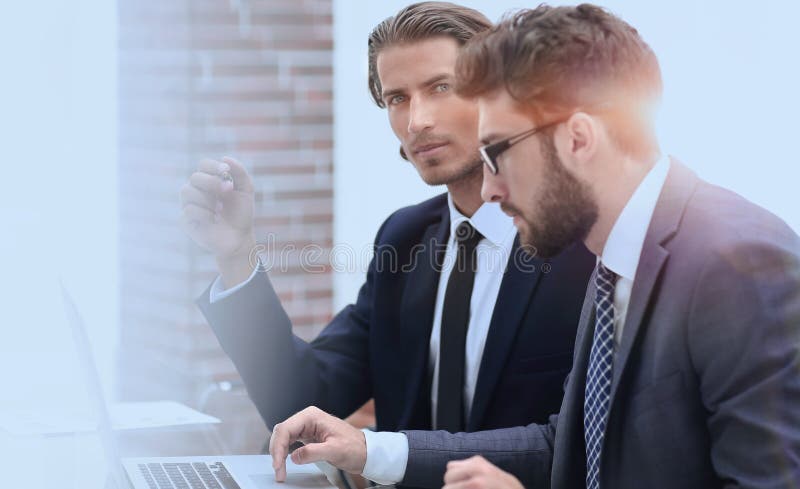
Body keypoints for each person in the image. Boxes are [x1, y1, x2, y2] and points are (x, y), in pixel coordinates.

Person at [267, 4, 800, 488]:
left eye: (498, 151)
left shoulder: (737, 262)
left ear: (578, 139)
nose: (491, 190)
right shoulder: (615, 257)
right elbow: (567, 449)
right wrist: (372, 450)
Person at [179, 2, 594, 485]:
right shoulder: (405, 239)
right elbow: (299, 400)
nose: (417, 119)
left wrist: (376, 450)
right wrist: (236, 255)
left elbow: (578, 446)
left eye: (442, 87)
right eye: (397, 98)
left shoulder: (582, 247)